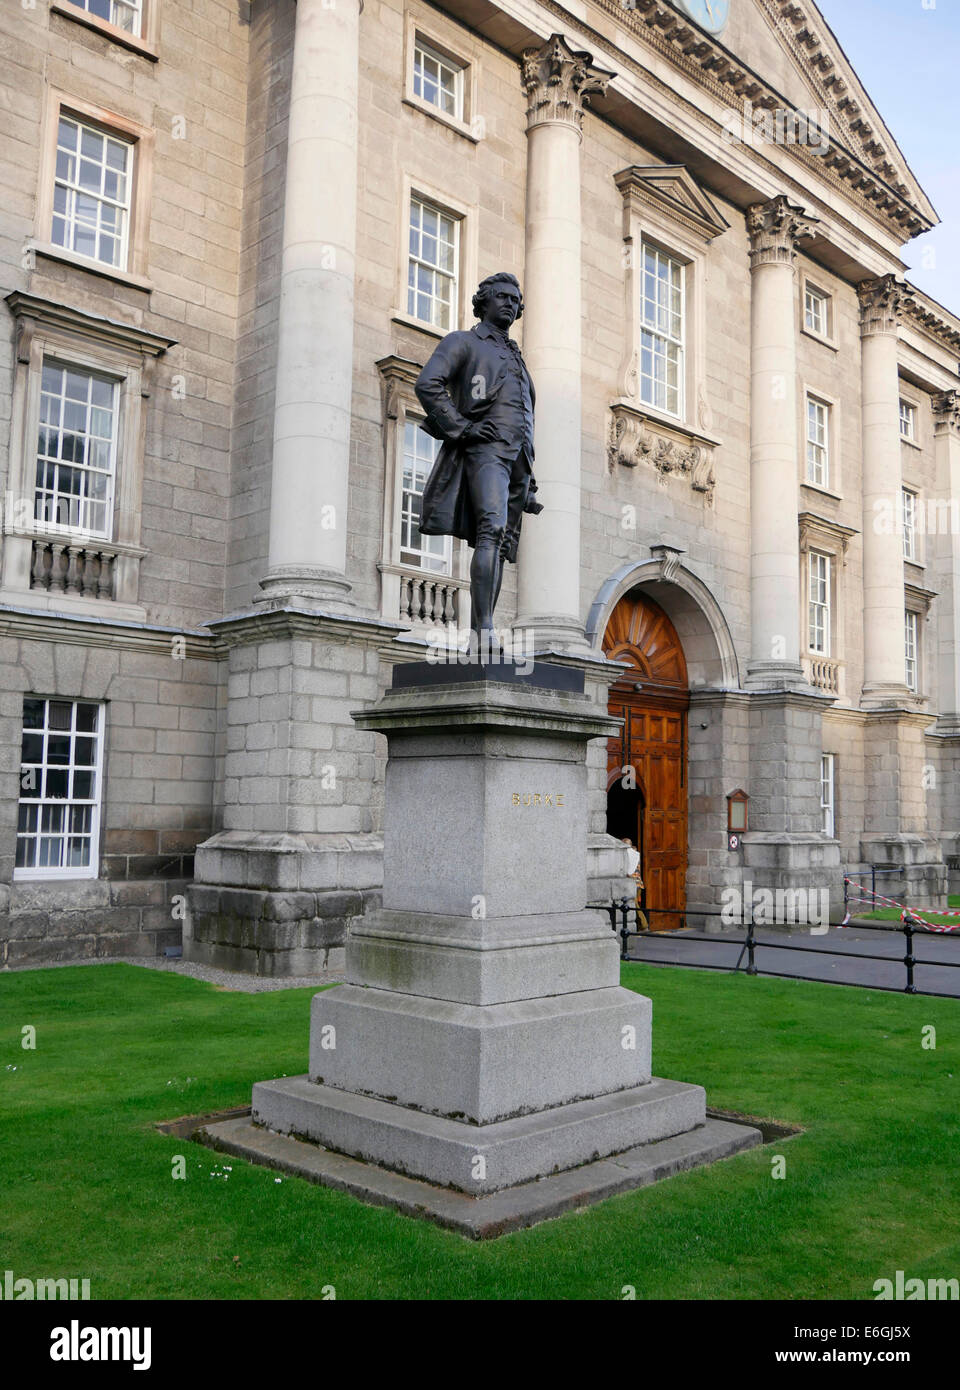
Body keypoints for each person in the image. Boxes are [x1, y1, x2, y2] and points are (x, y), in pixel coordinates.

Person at [414, 272, 543, 646]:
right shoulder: (463, 342)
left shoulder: (518, 359)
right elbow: (428, 385)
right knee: (490, 530)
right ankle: (482, 631)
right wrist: (463, 428)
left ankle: (483, 632)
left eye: (515, 300)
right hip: (485, 450)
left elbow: (526, 416)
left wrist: (530, 477)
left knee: (501, 542)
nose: (509, 303)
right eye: (500, 296)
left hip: (517, 460)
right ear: (483, 302)